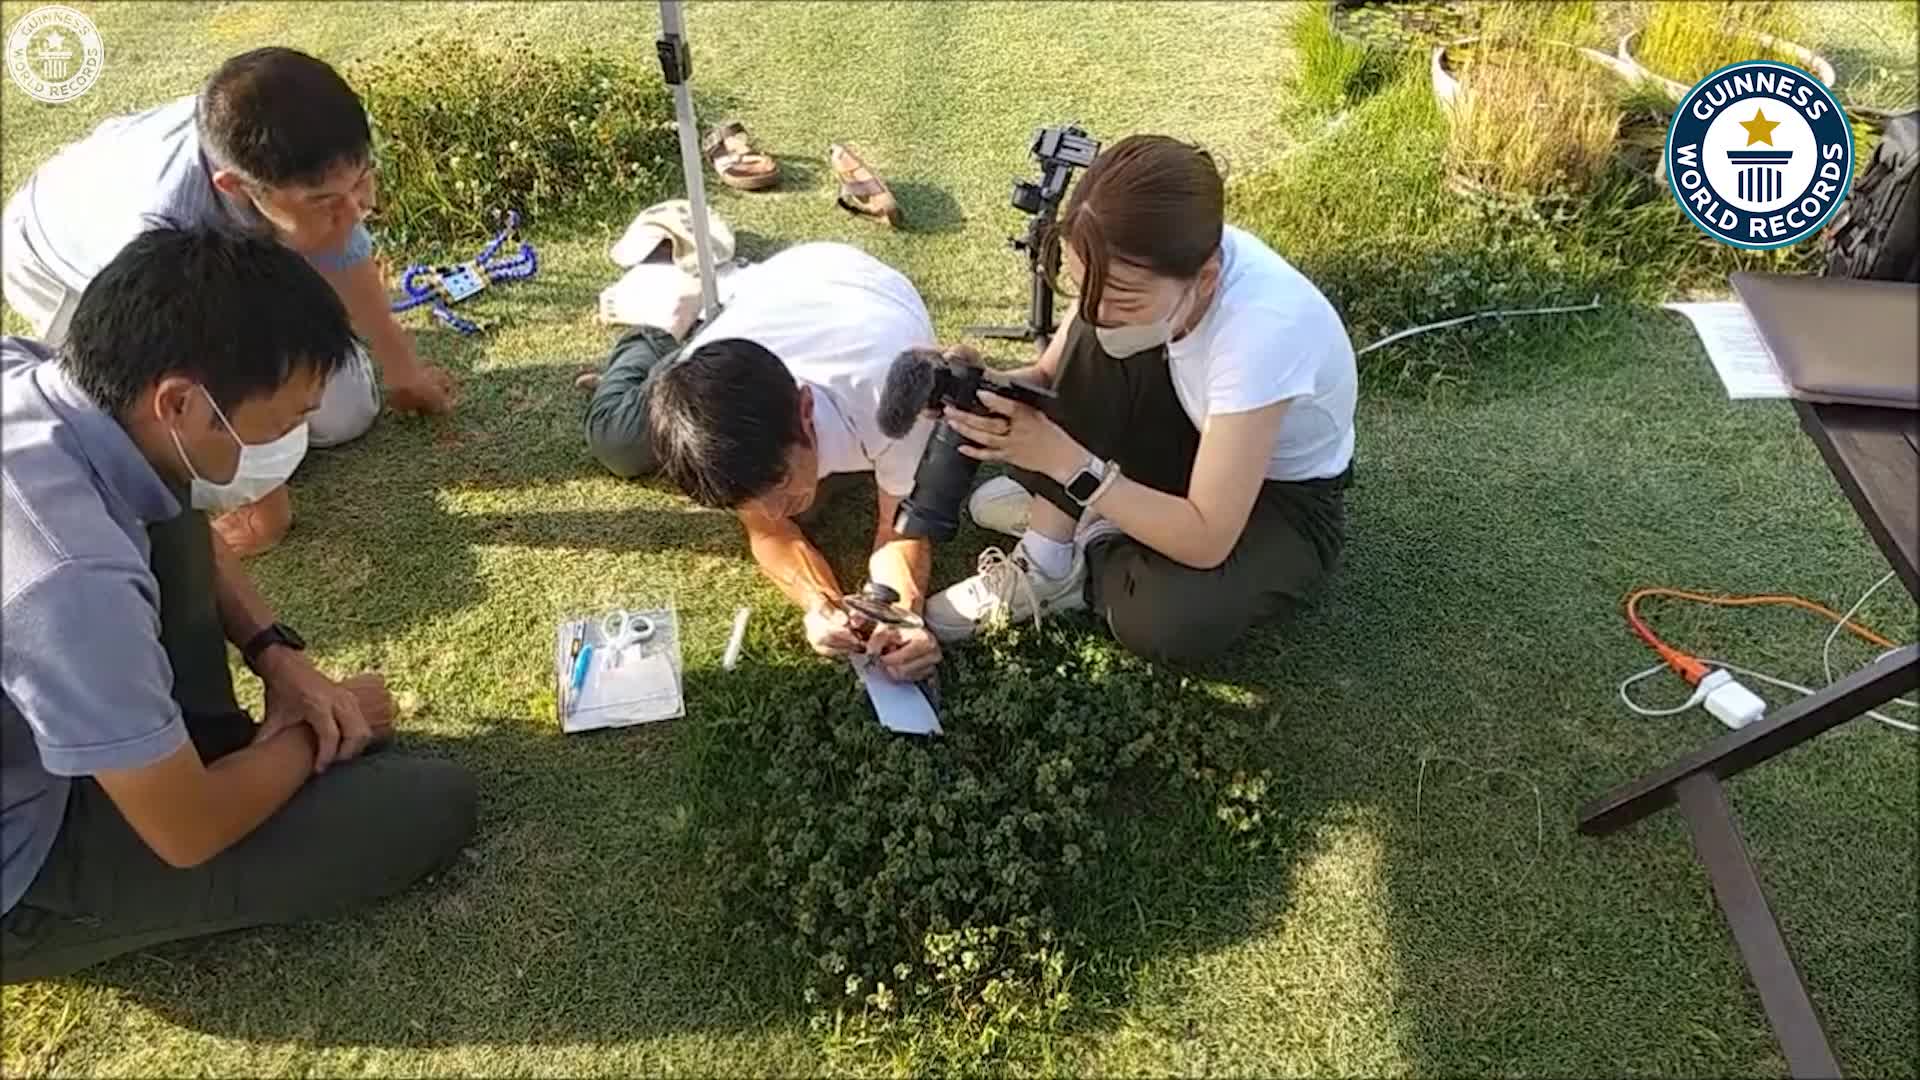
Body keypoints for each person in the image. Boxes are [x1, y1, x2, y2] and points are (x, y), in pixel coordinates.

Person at [0, 225, 476, 984]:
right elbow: (187, 833)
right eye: (282, 421)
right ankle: (178, 777)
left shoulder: (36, 382)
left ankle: (190, 752)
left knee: (169, 502)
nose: (289, 440)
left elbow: (172, 512)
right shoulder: (73, 579)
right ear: (181, 402)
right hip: (25, 857)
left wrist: (275, 653)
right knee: (425, 806)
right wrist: (316, 732)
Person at [1, 46, 456, 557]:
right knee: (157, 424)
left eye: (361, 183)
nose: (355, 211)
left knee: (346, 416)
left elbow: (343, 248)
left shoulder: (320, 146)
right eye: (325, 202)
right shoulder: (163, 228)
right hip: (59, 261)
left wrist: (403, 371)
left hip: (207, 218)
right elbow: (197, 377)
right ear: (236, 186)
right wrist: (265, 506)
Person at [922, 135, 1357, 664]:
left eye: (1123, 300)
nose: (1098, 311)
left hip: (1283, 499)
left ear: (1207, 278)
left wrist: (1065, 464)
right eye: (1081, 285)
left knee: (1166, 620)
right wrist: (979, 383)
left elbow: (1207, 539)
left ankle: (1088, 534)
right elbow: (1051, 377)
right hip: (1192, 432)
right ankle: (1049, 555)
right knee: (1100, 338)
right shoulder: (1136, 258)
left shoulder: (1262, 334)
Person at [583, 243, 943, 683]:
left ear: (805, 411)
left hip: (858, 290)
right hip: (756, 309)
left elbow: (899, 529)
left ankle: (666, 333)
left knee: (815, 501)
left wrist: (902, 618)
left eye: (779, 481)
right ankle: (661, 330)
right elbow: (766, 529)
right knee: (617, 441)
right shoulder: (713, 399)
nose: (773, 512)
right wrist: (819, 605)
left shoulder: (898, 404)